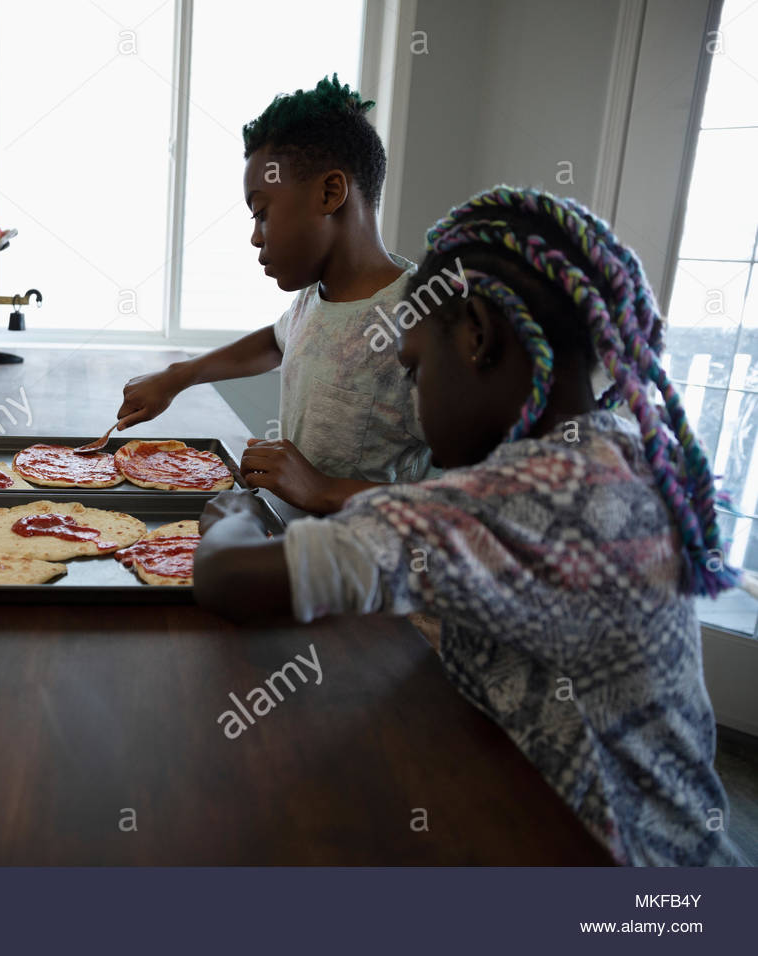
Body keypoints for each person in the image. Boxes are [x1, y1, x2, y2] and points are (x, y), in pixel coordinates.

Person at [194, 186, 749, 866]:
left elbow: (229, 577)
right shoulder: (615, 449)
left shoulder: (530, 499)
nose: (417, 396)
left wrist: (232, 510)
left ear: (477, 337)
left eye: (417, 369)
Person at [117, 75, 430, 513]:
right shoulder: (313, 299)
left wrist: (322, 489)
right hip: (301, 555)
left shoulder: (421, 319)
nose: (255, 237)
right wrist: (178, 376)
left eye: (261, 214)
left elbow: (474, 495)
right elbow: (275, 342)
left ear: (330, 192)